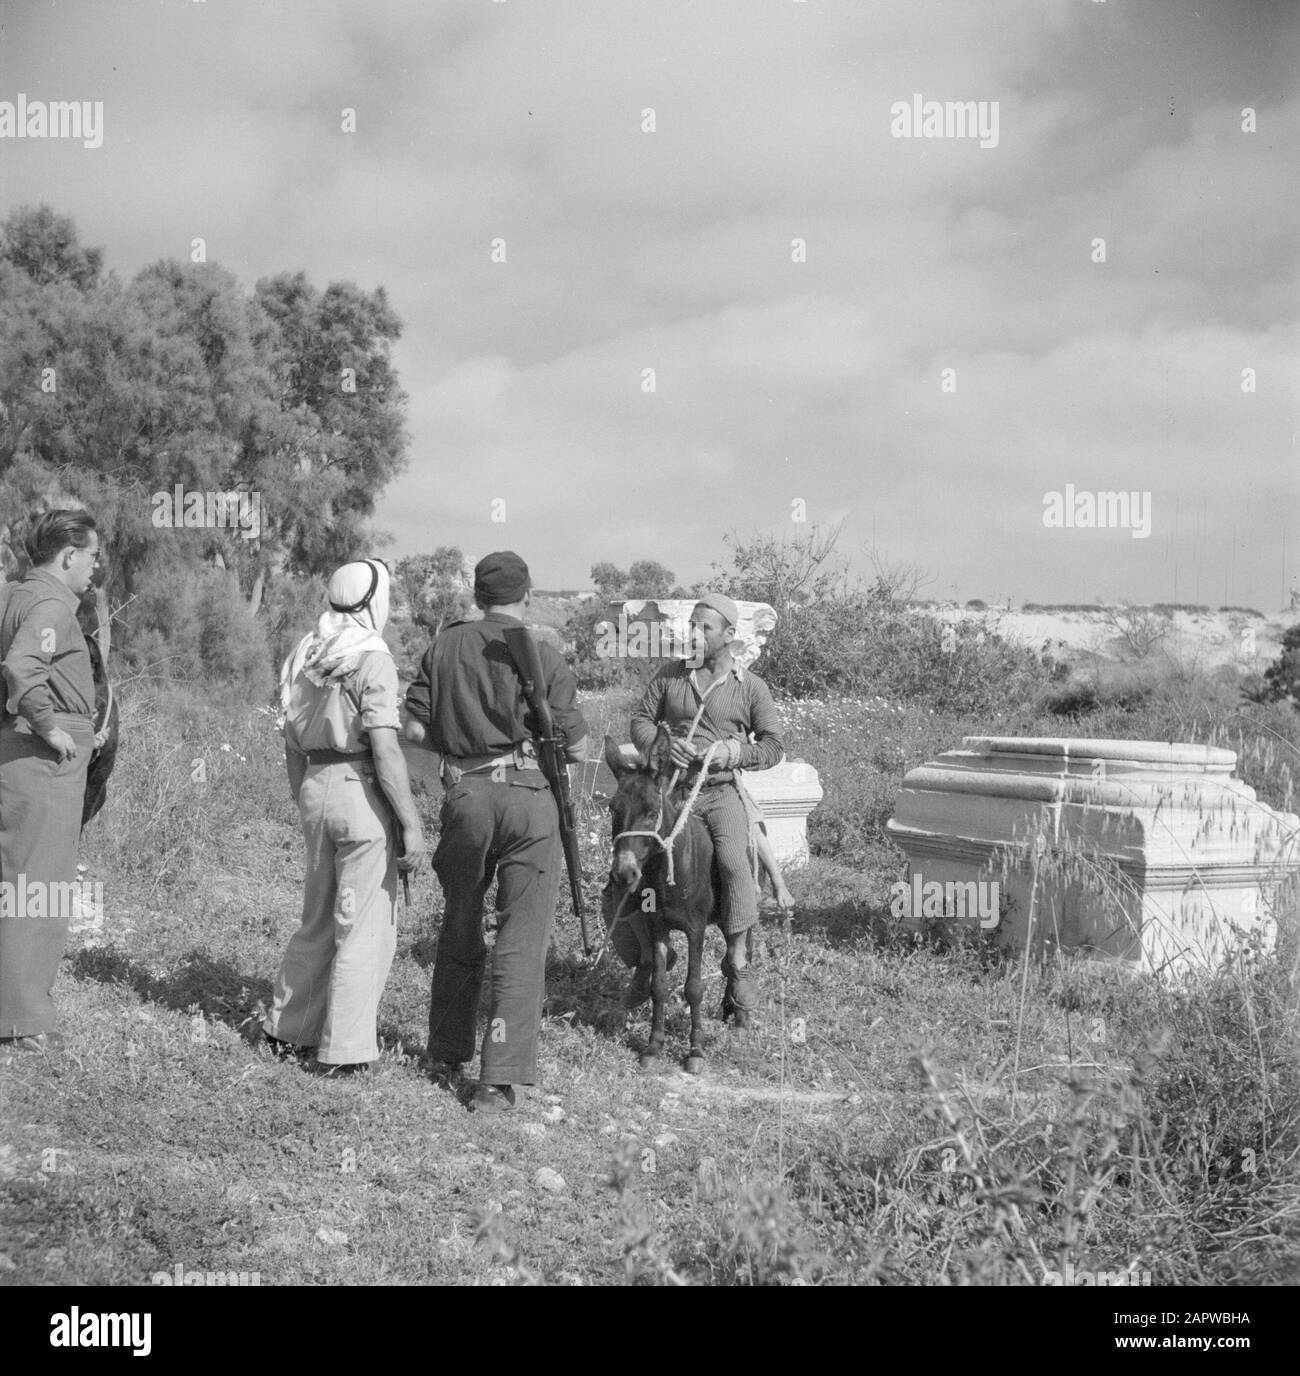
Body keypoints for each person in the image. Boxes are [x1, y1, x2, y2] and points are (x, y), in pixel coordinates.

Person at [404, 551, 588, 1114]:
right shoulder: (545, 655)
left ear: (477, 595)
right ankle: (496, 1080)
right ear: (526, 594)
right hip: (532, 799)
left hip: (468, 794)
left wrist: (455, 760)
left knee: (460, 920)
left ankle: (445, 1049)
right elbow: (577, 745)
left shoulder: (443, 646)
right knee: (522, 938)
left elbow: (412, 726)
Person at [263, 558, 426, 1076]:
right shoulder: (371, 657)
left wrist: (308, 798)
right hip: (360, 791)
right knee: (362, 925)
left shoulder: (305, 652)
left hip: (316, 785)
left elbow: (289, 738)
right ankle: (346, 1050)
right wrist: (411, 824)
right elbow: (385, 748)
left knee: (317, 914)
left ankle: (288, 1031)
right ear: (373, 601)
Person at [626, 593, 784, 1023]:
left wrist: (733, 752)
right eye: (691, 625)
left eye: (705, 627)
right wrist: (661, 744)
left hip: (717, 792)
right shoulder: (671, 676)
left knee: (734, 863)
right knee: (631, 867)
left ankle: (737, 966)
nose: (694, 634)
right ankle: (648, 956)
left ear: (730, 636)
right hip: (670, 793)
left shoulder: (749, 687)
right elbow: (640, 720)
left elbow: (773, 747)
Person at [0, 509, 101, 1053]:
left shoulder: (14, 594)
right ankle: (25, 1021)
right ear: (68, 556)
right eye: (92, 555)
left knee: (16, 878)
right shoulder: (51, 602)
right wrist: (53, 728)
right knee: (39, 886)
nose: (95, 566)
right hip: (42, 756)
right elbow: (22, 668)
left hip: (15, 750)